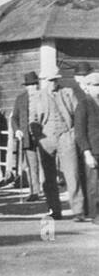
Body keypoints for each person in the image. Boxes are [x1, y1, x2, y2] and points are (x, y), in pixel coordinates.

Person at [38, 67, 80, 221]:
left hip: (66, 136)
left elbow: (78, 114)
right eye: (50, 80)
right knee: (49, 178)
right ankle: (54, 210)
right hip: (46, 138)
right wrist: (38, 136)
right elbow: (33, 119)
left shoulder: (68, 92)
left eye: (55, 80)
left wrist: (73, 133)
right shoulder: (38, 97)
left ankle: (78, 210)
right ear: (44, 81)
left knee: (72, 173)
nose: (53, 83)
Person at [10, 72, 47, 205]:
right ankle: (35, 192)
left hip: (44, 136)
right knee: (32, 165)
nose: (32, 87)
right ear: (26, 87)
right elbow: (14, 118)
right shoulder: (20, 99)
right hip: (28, 137)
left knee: (46, 163)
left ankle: (47, 189)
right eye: (29, 85)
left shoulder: (44, 96)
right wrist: (17, 130)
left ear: (37, 84)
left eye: (34, 84)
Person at [70, 72, 99, 221]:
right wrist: (87, 152)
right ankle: (95, 214)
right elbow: (80, 132)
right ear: (87, 88)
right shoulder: (83, 105)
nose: (98, 89)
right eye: (96, 86)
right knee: (94, 185)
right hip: (93, 151)